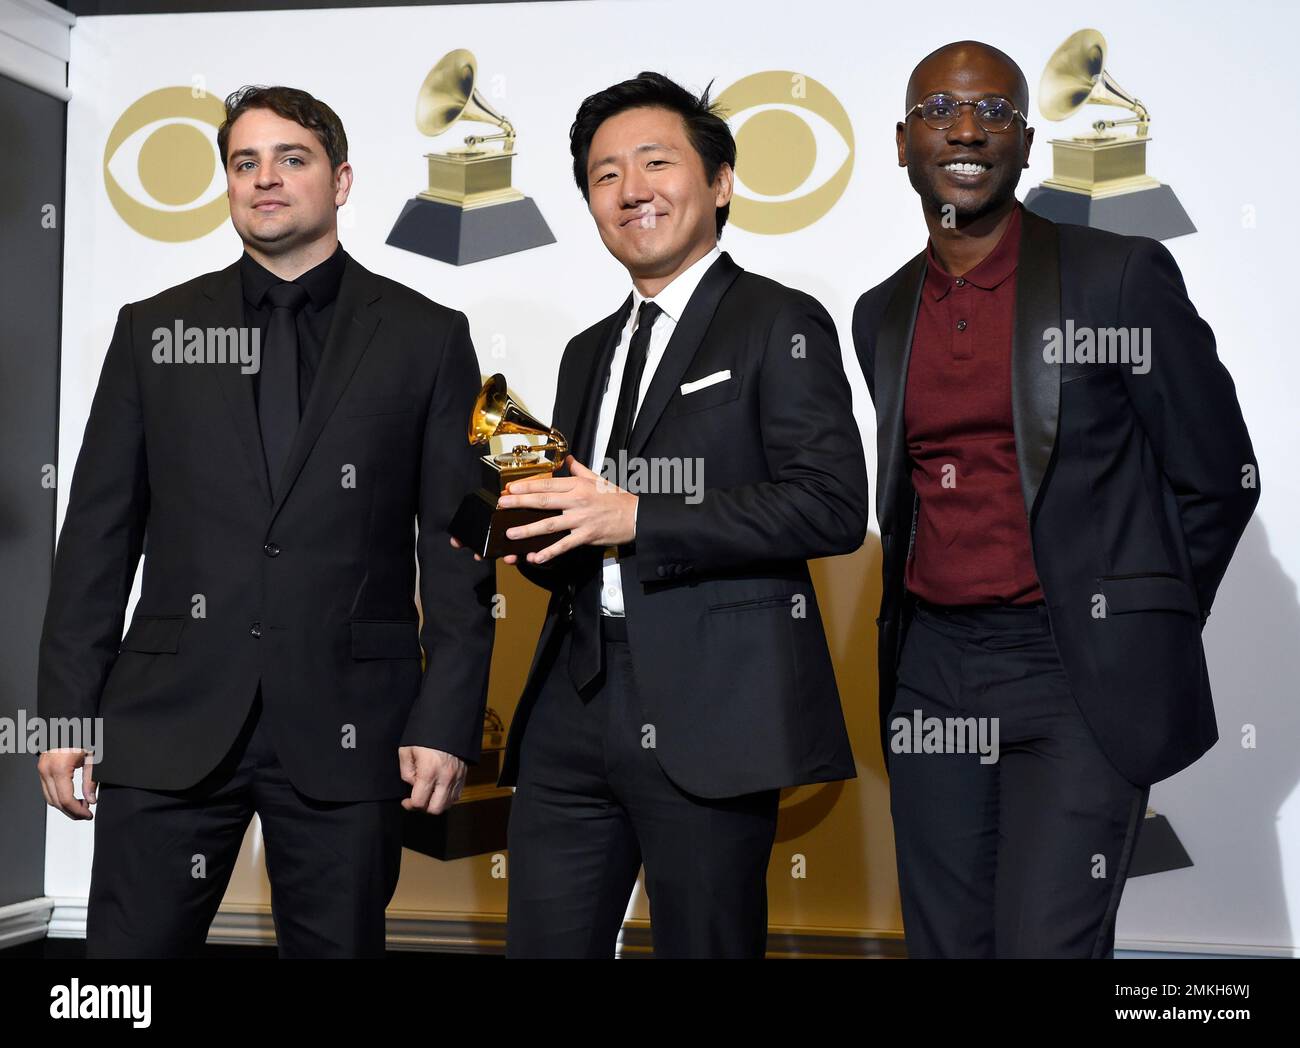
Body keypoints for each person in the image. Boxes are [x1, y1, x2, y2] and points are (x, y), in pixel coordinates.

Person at [37, 85, 495, 958]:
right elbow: (97, 536)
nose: (265, 179)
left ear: (342, 179)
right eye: (245, 162)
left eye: (293, 158)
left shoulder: (427, 336)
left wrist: (446, 717)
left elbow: (457, 543)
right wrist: (64, 710)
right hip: (167, 718)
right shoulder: (154, 331)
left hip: (354, 721)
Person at [852, 41, 1259, 957]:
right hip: (933, 674)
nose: (966, 129)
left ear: (1027, 142)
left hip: (1072, 672)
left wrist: (1135, 619)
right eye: (940, 111)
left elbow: (1219, 477)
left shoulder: (1118, 278)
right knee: (946, 945)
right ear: (902, 142)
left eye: (995, 111)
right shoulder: (879, 312)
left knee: (1048, 945)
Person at [457, 71, 868, 958]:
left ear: (720, 183)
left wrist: (639, 517)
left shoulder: (779, 321)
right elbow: (589, 528)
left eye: (655, 162)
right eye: (605, 175)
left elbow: (832, 505)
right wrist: (529, 527)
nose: (631, 190)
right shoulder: (587, 350)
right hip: (573, 694)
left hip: (712, 706)